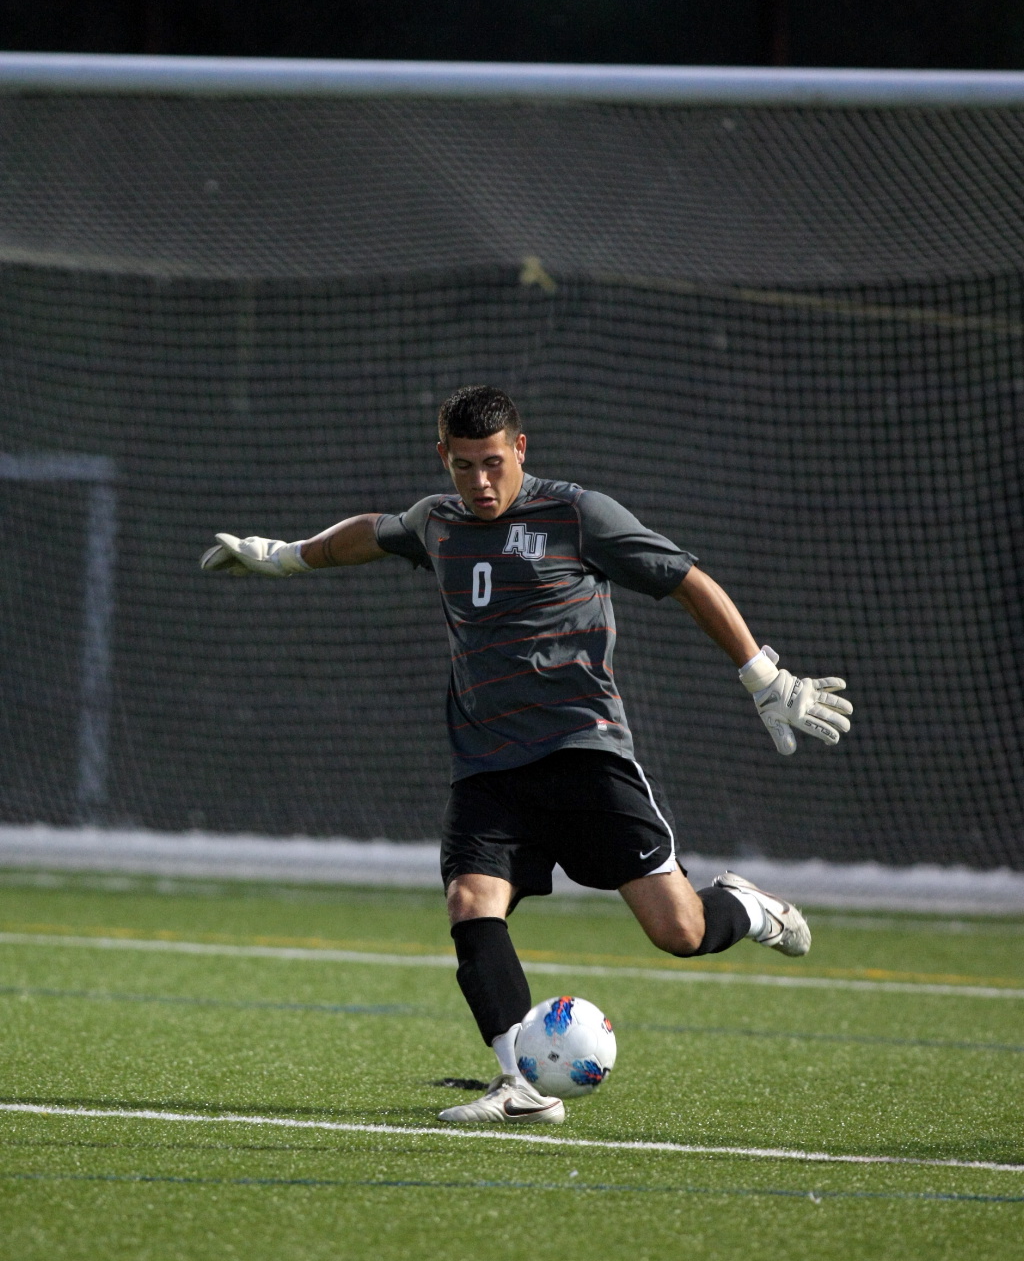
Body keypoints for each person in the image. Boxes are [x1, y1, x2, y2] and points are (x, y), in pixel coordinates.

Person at [201, 385, 852, 1126]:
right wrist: (284, 556)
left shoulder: (577, 514)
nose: (480, 483)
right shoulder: (438, 522)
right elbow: (369, 533)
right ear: (442, 459)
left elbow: (687, 581)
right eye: (463, 467)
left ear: (520, 449)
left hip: (584, 752)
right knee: (470, 904)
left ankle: (747, 906)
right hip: (487, 764)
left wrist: (763, 676)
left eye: (492, 464)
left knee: (681, 933)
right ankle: (518, 1086)